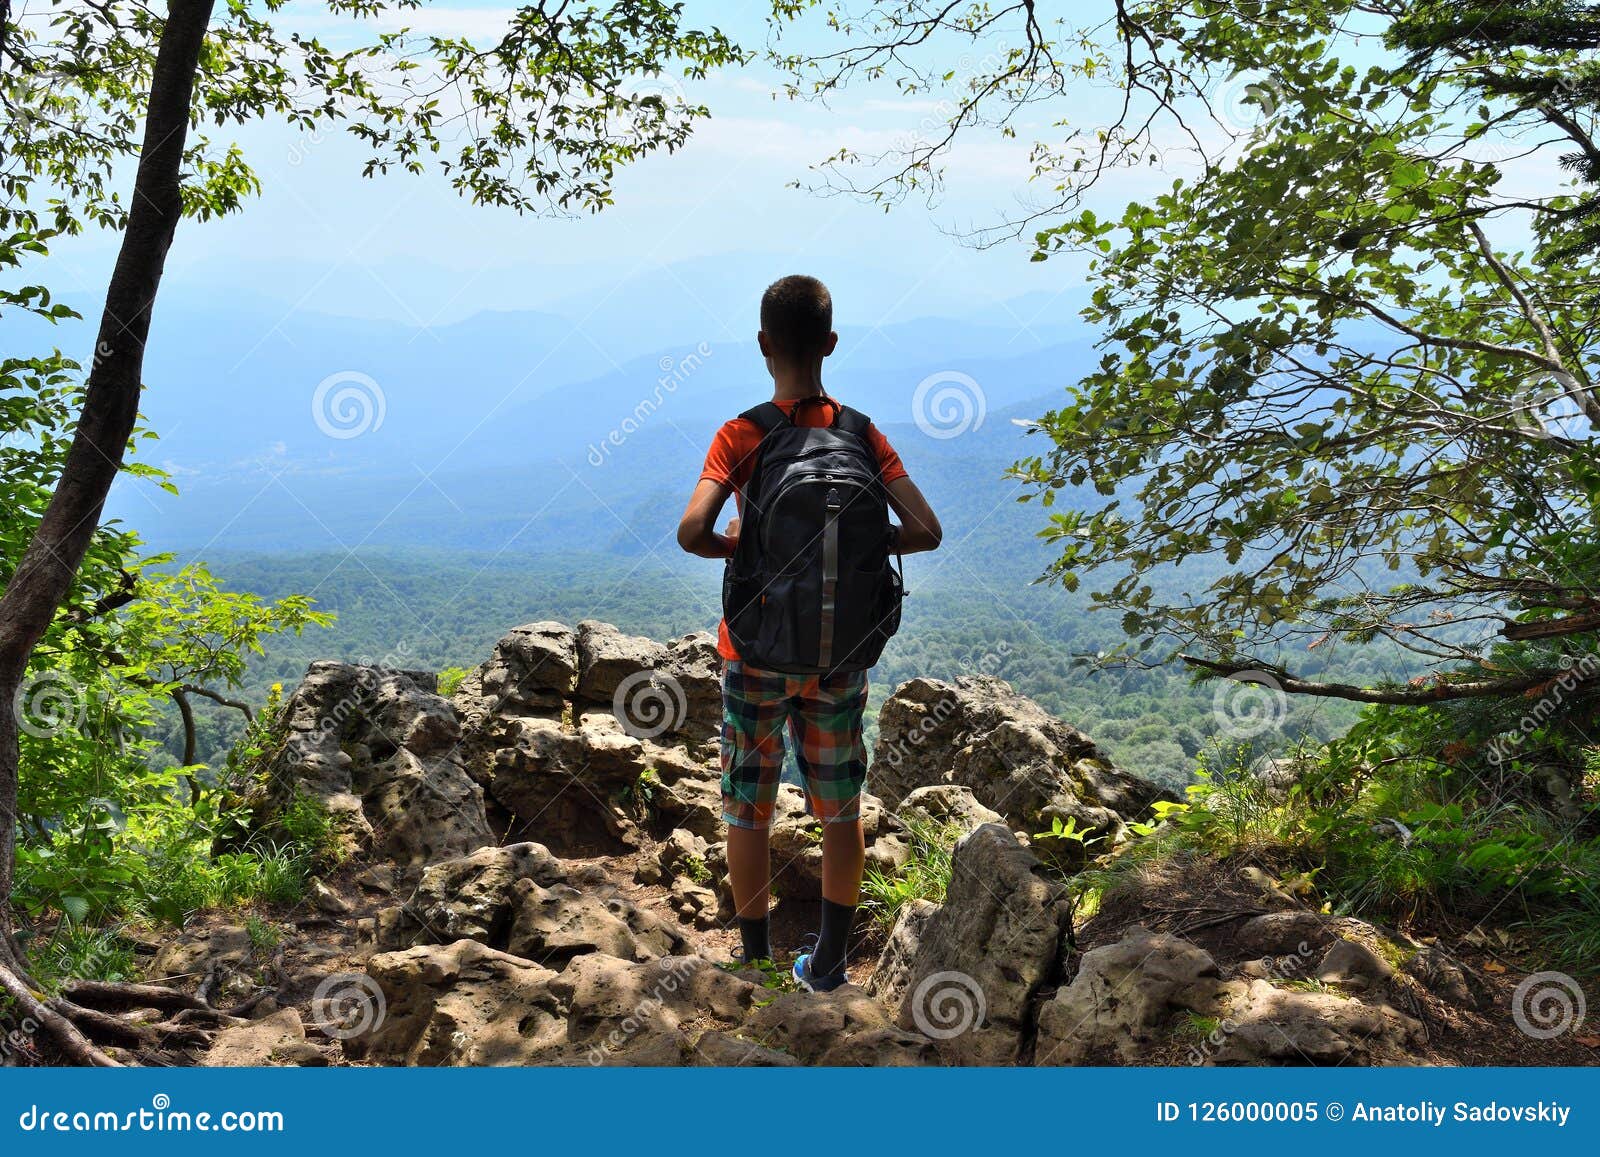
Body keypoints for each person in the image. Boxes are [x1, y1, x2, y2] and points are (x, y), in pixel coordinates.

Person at [677, 274, 942, 992]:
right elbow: (926, 531)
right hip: (838, 658)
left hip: (756, 653)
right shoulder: (861, 433)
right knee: (840, 808)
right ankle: (827, 964)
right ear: (829, 343)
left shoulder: (743, 433)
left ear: (764, 345)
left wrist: (747, 545)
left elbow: (692, 532)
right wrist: (858, 547)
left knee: (748, 806)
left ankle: (757, 962)